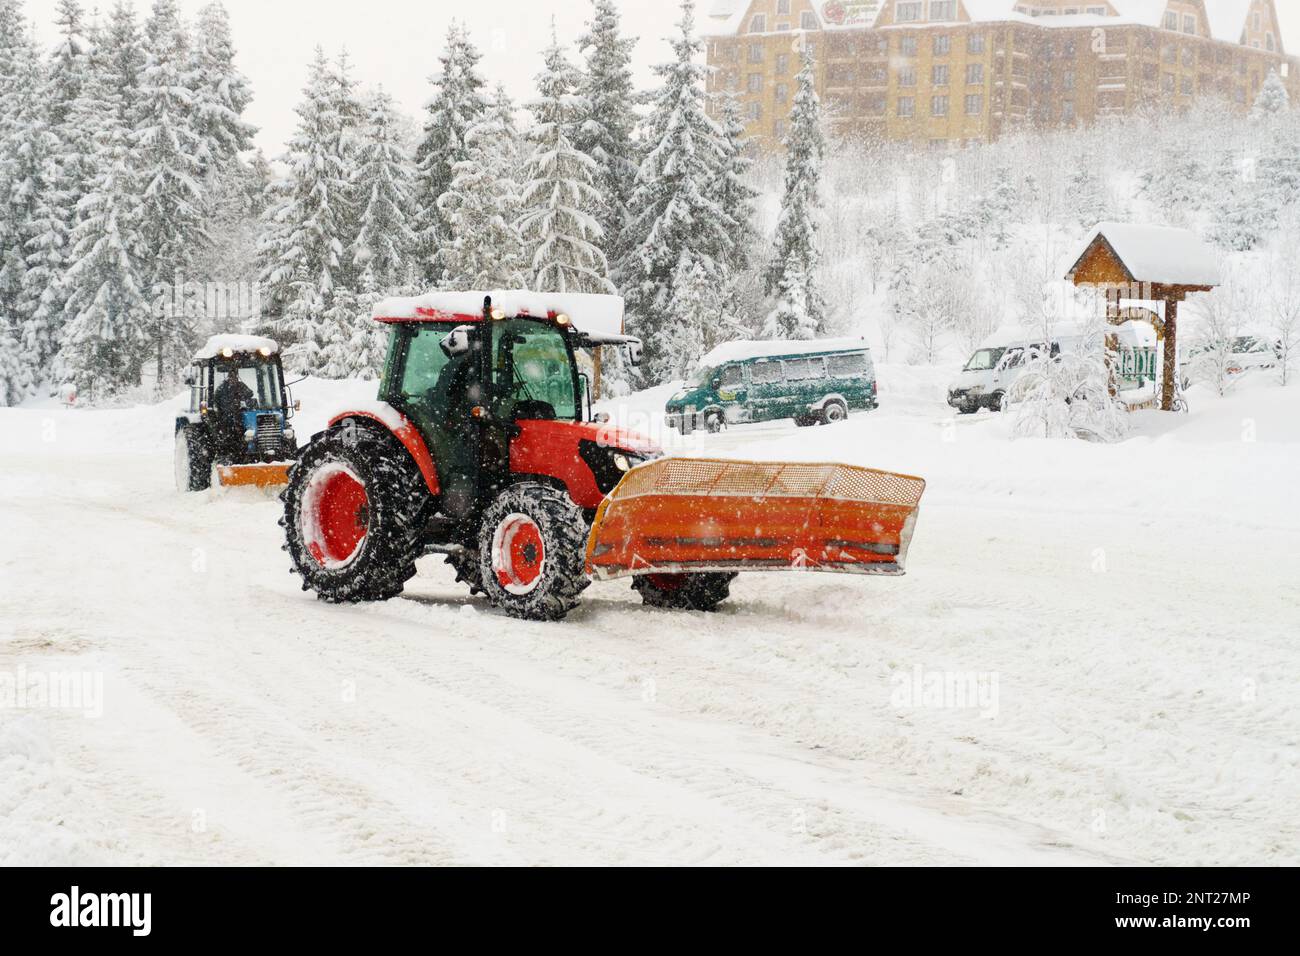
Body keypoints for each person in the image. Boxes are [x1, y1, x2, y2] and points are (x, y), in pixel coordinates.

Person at [212, 367, 256, 461]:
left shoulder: (241, 386)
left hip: (240, 415)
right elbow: (215, 401)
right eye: (231, 376)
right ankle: (228, 452)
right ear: (228, 376)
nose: (233, 378)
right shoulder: (222, 388)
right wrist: (222, 410)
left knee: (243, 424)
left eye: (235, 376)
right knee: (228, 430)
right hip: (225, 416)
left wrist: (244, 399)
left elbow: (250, 394)